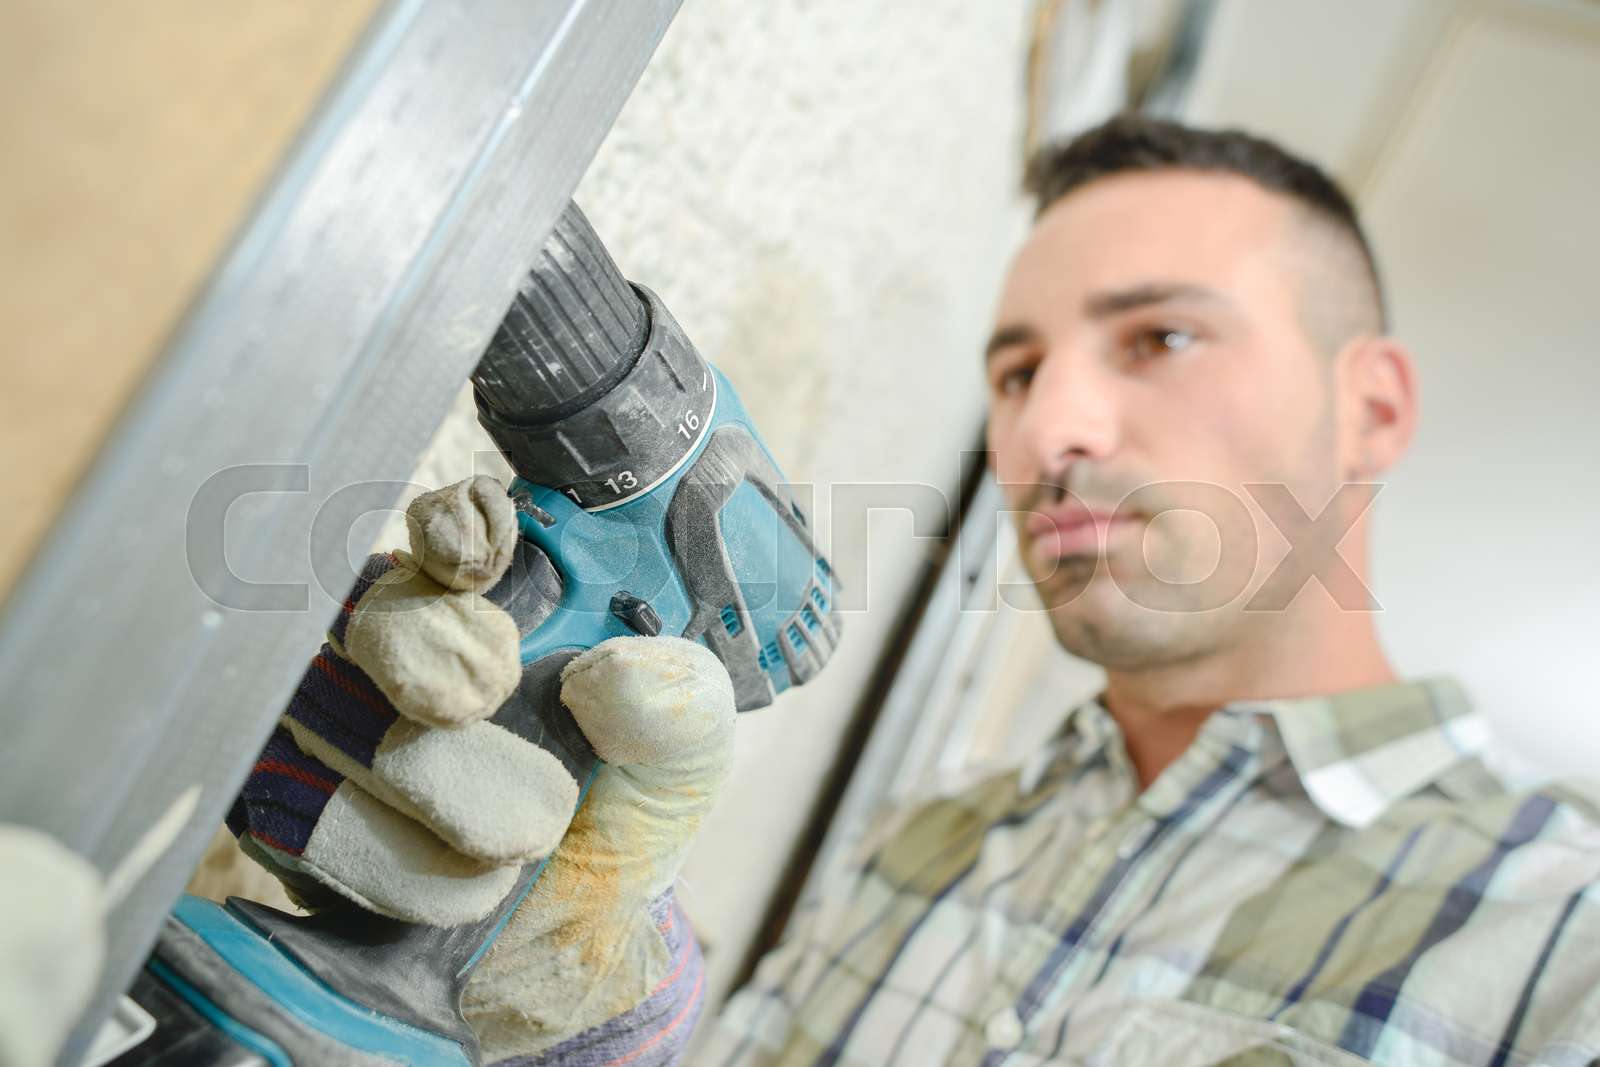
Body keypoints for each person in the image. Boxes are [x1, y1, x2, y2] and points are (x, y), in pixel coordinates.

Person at [228, 115, 1600, 1066]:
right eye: (1016, 370)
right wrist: (583, 1029)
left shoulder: (1564, 949)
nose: (1050, 426)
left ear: (1372, 406)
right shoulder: (916, 842)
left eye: (1160, 336)